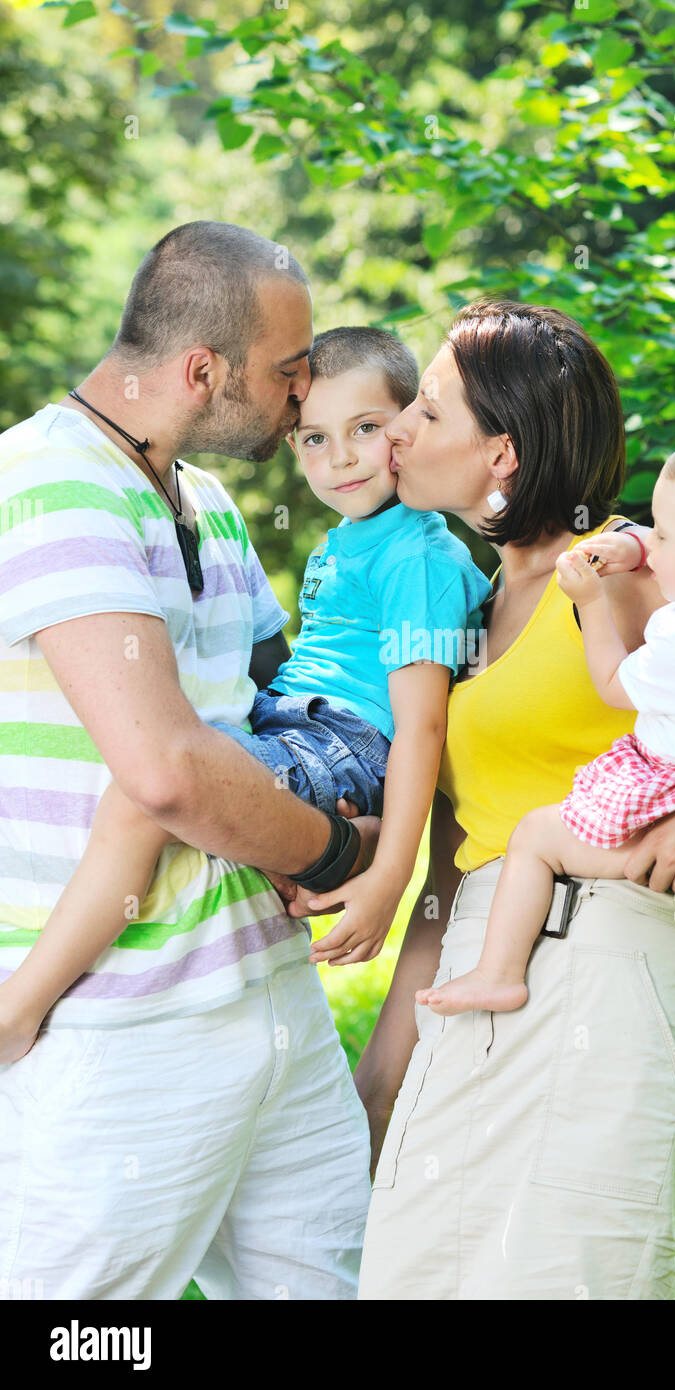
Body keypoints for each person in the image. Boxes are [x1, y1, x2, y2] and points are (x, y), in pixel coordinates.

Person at [326, 299, 675, 1301]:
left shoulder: (624, 568)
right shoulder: (470, 606)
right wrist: (385, 1068)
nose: (396, 430)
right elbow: (454, 867)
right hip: (482, 984)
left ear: (502, 453)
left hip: (609, 975)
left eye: (428, 412)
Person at [0, 222, 383, 1300]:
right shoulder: (47, 481)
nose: (303, 399)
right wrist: (336, 848)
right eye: (288, 372)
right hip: (120, 1022)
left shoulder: (205, 501)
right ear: (201, 370)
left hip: (271, 1001)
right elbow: (166, 769)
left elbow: (270, 703)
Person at [0, 326, 489, 1059]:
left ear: (410, 427)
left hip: (342, 741)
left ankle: (18, 1007)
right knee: (170, 763)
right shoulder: (351, 541)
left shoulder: (417, 556)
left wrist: (393, 869)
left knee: (150, 793)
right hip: (296, 723)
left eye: (366, 429)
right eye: (315, 439)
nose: (343, 457)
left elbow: (422, 727)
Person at [415, 430, 675, 1095]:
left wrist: (588, 603)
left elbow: (615, 684)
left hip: (670, 823)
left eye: (664, 536)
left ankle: (497, 972)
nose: (651, 542)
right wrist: (639, 545)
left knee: (537, 837)